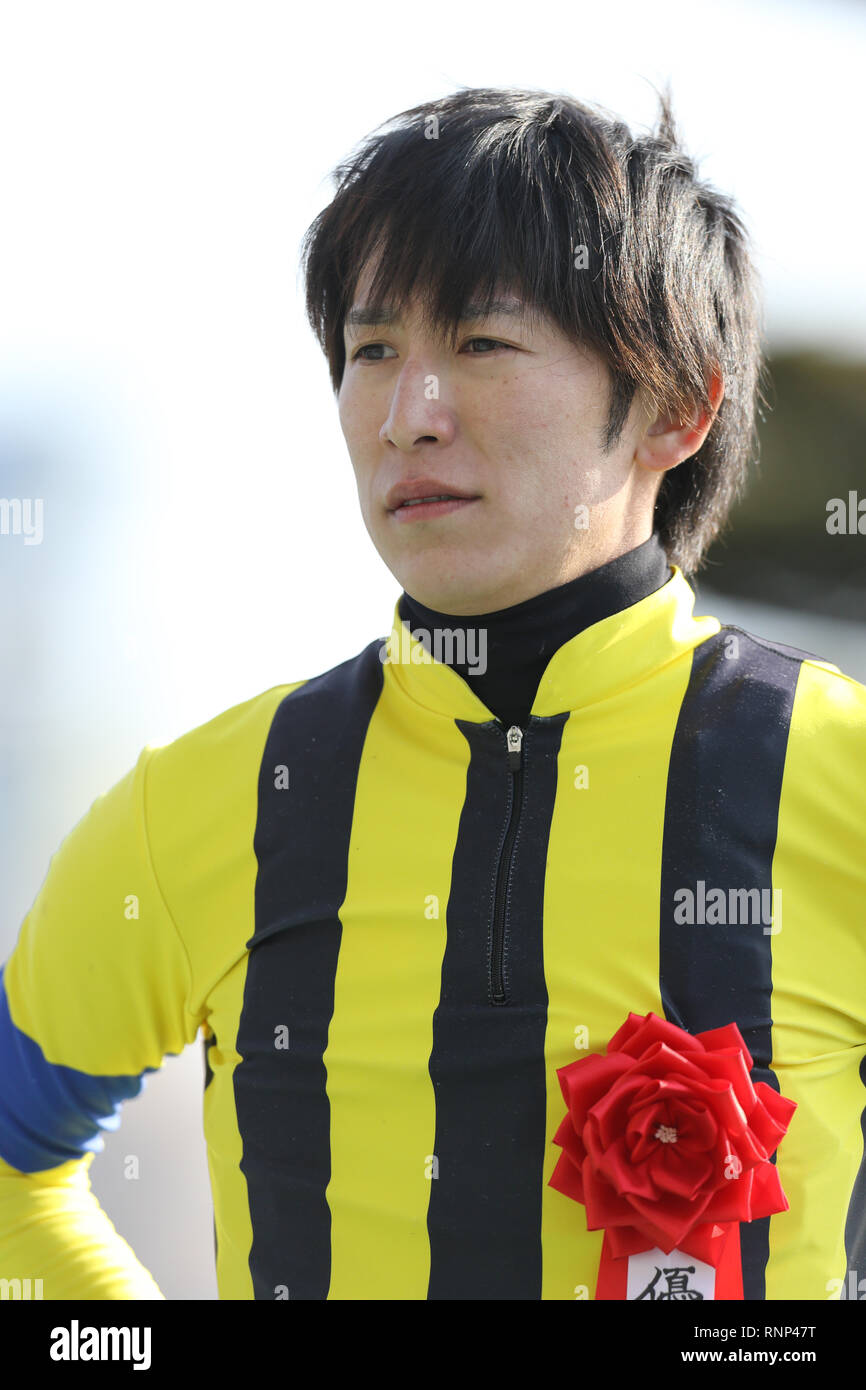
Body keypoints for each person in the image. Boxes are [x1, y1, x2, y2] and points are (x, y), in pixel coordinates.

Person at [1, 84, 864, 1302]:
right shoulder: (205, 803)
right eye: (370, 352)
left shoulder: (842, 775)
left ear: (675, 405)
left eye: (480, 344)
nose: (409, 414)